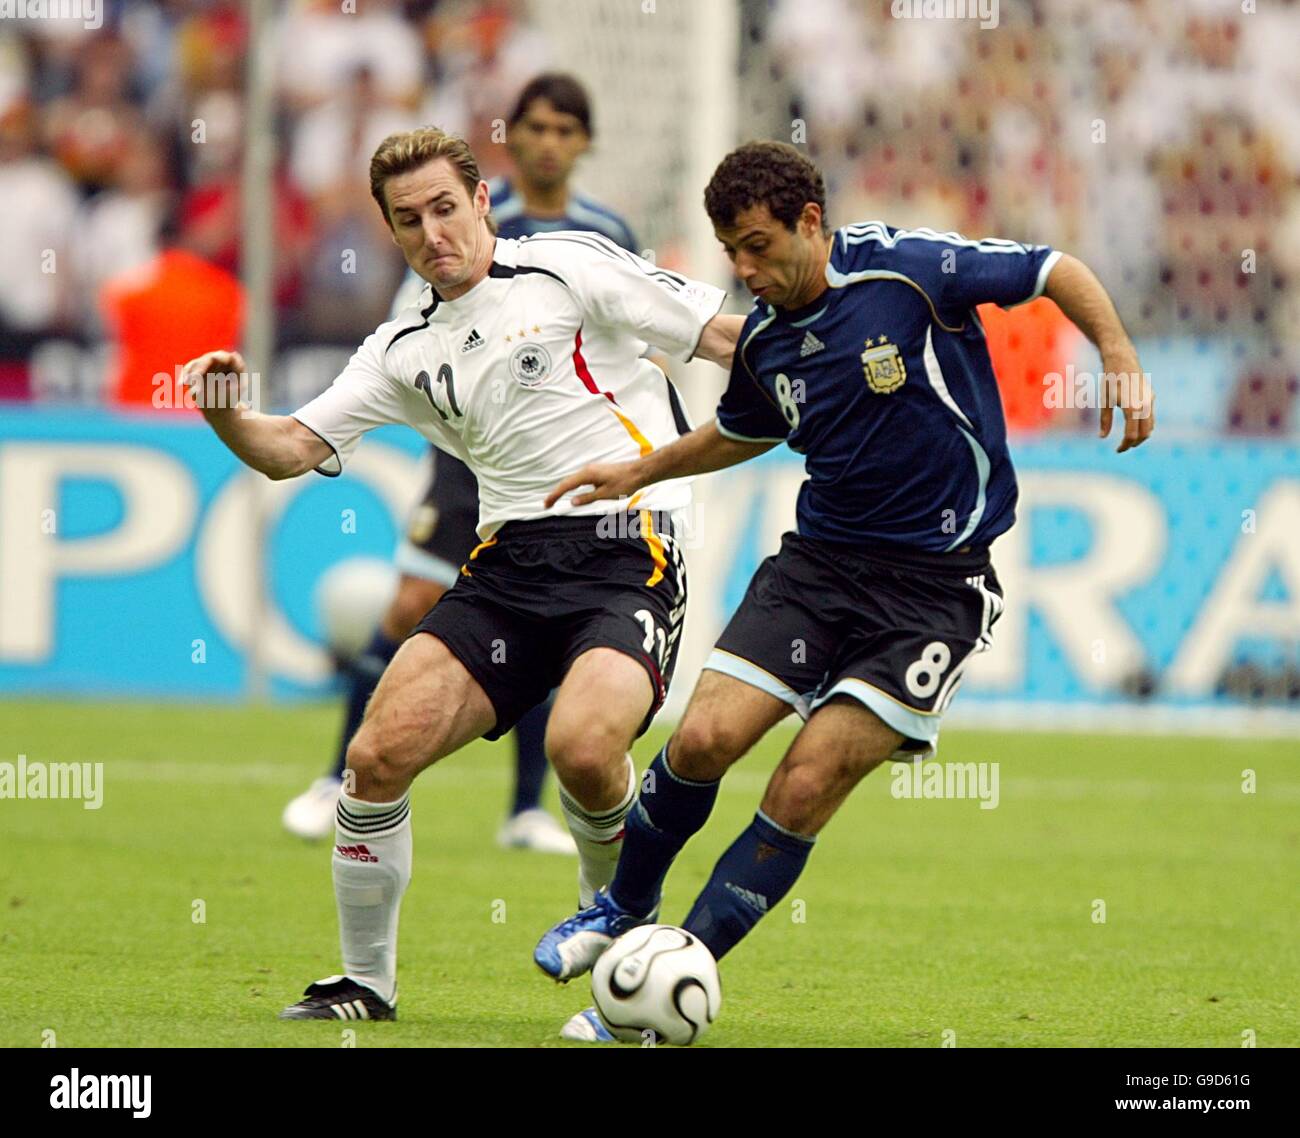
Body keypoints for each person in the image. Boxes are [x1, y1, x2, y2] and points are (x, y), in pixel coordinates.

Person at [532, 141, 1155, 1041]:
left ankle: (665, 979)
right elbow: (745, 428)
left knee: (803, 782)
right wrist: (644, 469)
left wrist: (1118, 353)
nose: (744, 271)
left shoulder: (907, 272)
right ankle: (621, 909)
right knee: (703, 737)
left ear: (810, 223)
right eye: (730, 254)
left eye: (757, 246)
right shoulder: (767, 336)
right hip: (819, 567)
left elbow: (1055, 268)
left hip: (937, 593)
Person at [182, 126, 741, 1021]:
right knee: (372, 759)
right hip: (507, 564)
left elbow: (719, 336)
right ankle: (366, 985)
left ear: (482, 203)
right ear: (393, 234)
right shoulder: (400, 347)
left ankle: (621, 913)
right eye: (409, 220)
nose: (432, 231)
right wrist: (223, 415)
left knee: (585, 747)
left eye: (446, 207)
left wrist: (822, 385)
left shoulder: (568, 266)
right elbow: (289, 446)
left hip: (629, 541)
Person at [281, 74, 646, 854]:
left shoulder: (602, 232)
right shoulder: (470, 214)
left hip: (568, 466)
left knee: (561, 624)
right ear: (512, 139)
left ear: (583, 143)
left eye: (565, 130)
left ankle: (524, 810)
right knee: (413, 601)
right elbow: (411, 339)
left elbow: (630, 334)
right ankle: (331, 778)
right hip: (467, 463)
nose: (549, 143)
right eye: (536, 128)